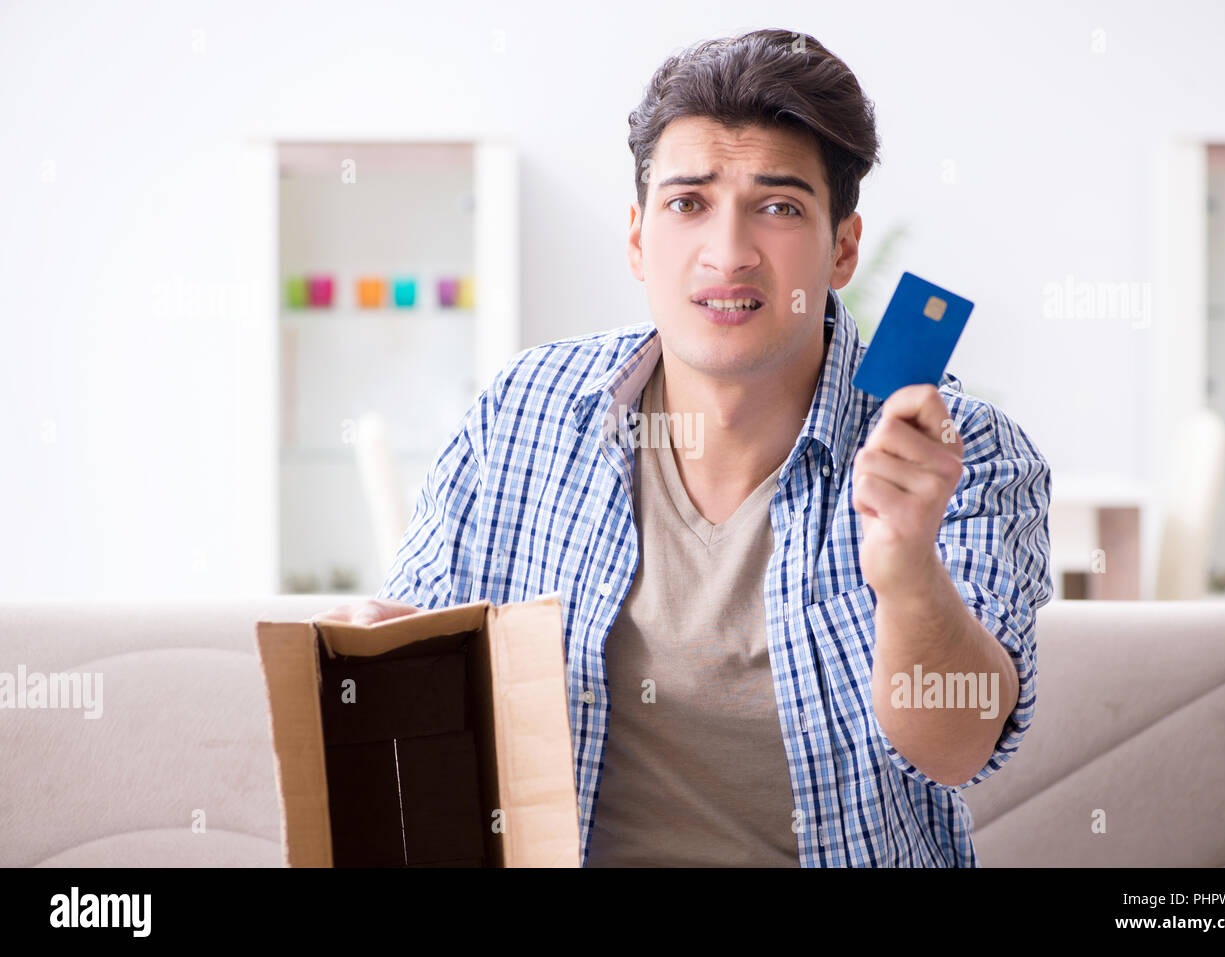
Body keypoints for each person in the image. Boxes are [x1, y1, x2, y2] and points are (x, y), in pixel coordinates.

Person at [316, 28, 1053, 867]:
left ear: (843, 247)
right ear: (638, 238)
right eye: (687, 202)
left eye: (778, 207)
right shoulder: (520, 414)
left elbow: (953, 749)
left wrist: (909, 571)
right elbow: (416, 659)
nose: (729, 253)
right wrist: (382, 657)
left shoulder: (965, 454)